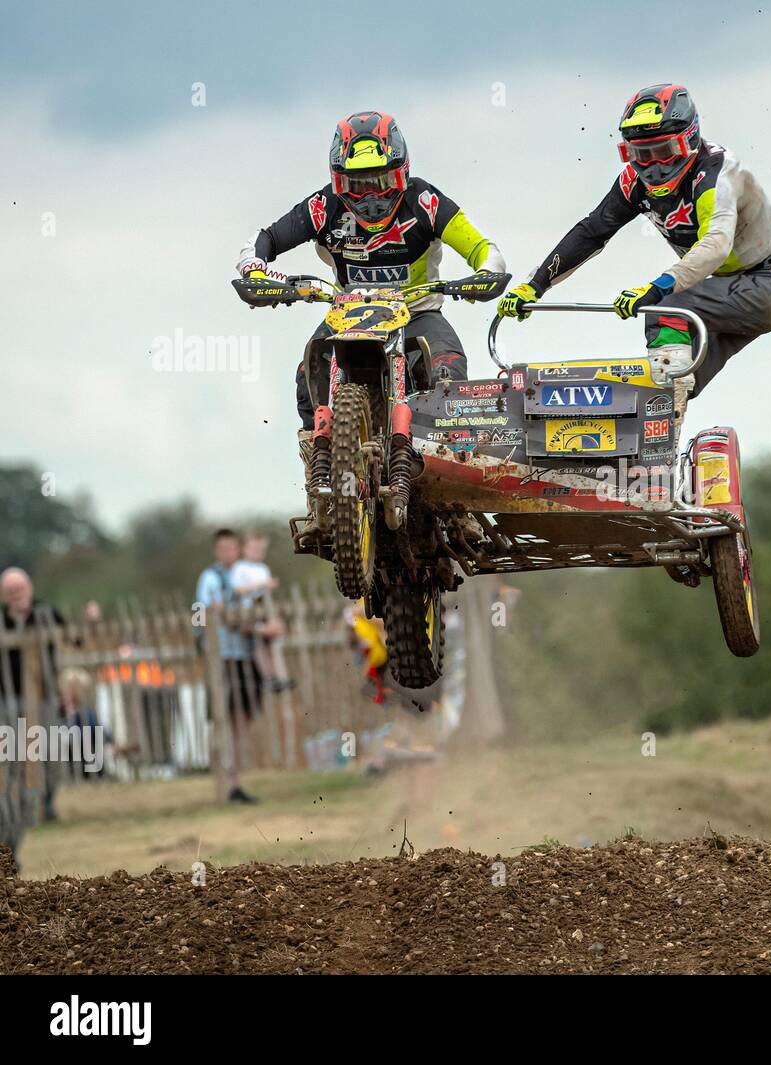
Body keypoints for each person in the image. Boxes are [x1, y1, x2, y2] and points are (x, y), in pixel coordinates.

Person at [234, 110, 509, 477]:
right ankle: (319, 472)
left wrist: (486, 273)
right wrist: (254, 268)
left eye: (381, 180)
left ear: (402, 171)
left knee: (449, 369)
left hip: (418, 311)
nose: (371, 195)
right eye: (357, 185)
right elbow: (264, 239)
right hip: (351, 313)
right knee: (308, 370)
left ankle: (452, 479)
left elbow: (482, 248)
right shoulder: (323, 207)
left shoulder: (425, 201)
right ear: (338, 182)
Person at [497, 84, 771, 397]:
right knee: (671, 389)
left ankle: (666, 395)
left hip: (767, 284)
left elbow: (716, 245)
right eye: (641, 154)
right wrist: (535, 284)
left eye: (663, 152)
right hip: (719, 289)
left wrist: (658, 287)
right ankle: (655, 442)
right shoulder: (633, 181)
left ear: (688, 140)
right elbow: (592, 232)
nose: (653, 167)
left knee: (666, 309)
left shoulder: (717, 174)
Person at [195, 530, 260, 804]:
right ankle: (224, 780)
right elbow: (205, 612)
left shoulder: (248, 574)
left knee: (241, 718)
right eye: (222, 548)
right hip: (221, 655)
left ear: (239, 549)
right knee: (221, 719)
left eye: (232, 547)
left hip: (244, 653)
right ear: (216, 550)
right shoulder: (210, 578)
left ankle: (235, 781)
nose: (227, 553)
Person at [1, 567, 66, 820]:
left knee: (50, 750)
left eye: (20, 589)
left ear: (29, 588)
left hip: (44, 696)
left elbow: (73, 639)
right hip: (8, 698)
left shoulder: (47, 614)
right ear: (3, 595)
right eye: (11, 591)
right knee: (16, 756)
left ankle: (47, 802)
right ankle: (23, 807)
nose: (17, 595)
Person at [230, 532, 293, 693]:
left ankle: (277, 676)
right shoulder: (240, 568)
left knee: (270, 644)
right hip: (247, 611)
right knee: (259, 642)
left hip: (263, 609)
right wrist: (262, 585)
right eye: (254, 549)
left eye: (261, 549)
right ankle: (268, 677)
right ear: (244, 549)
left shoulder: (263, 568)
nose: (258, 552)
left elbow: (266, 595)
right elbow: (238, 590)